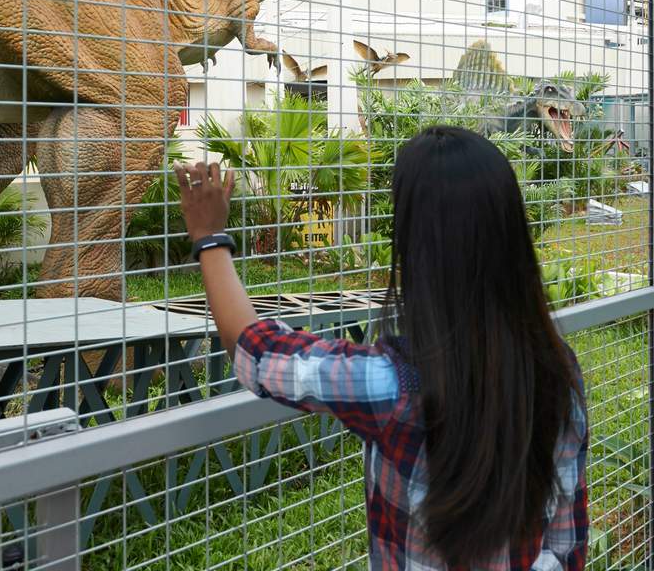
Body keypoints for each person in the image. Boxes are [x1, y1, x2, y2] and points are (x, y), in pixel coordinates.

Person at [173, 126, 590, 569]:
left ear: (416, 244)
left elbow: (253, 350)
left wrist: (209, 237)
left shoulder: (389, 384)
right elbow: (567, 545)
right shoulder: (556, 367)